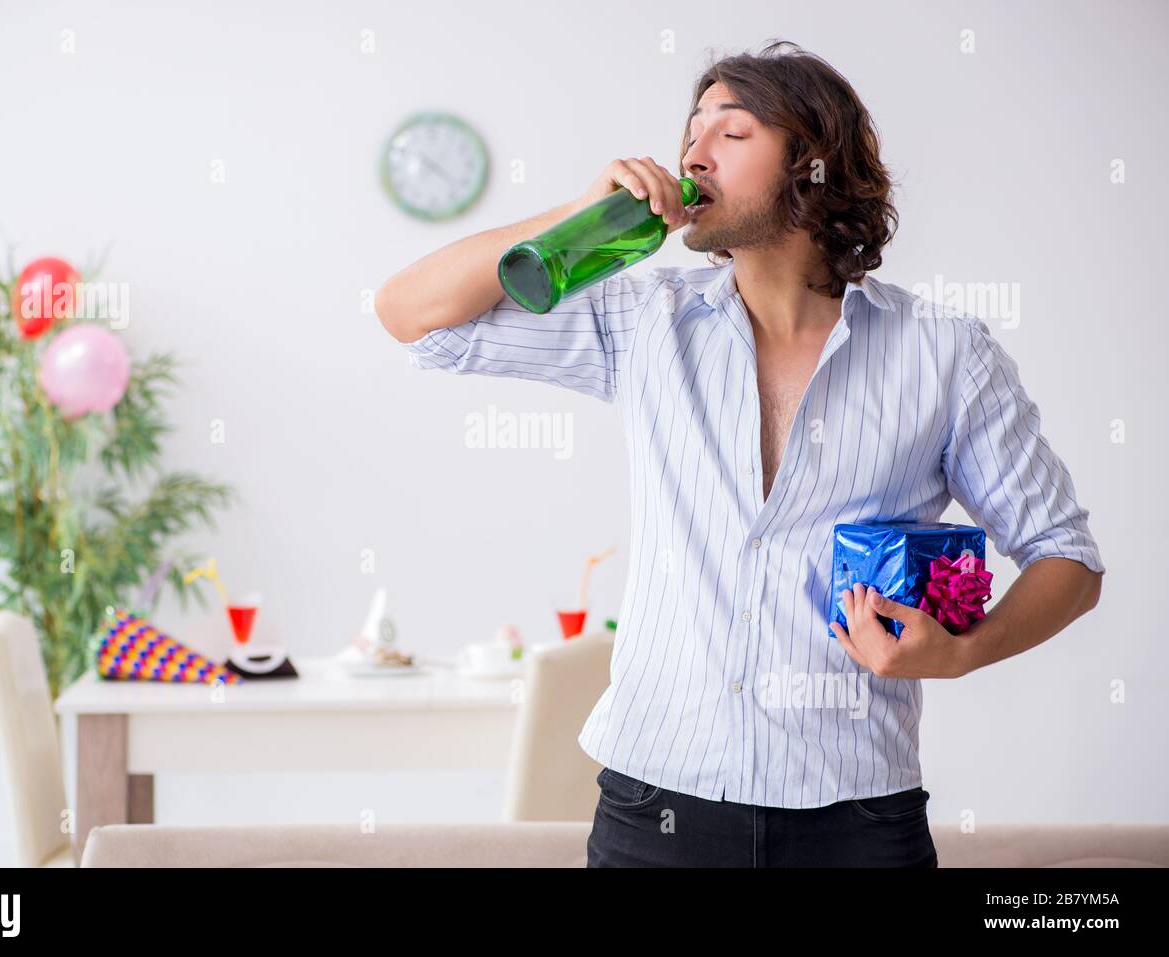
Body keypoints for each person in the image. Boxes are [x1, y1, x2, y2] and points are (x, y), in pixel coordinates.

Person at [374, 40, 1105, 867]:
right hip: (654, 811)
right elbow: (410, 313)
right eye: (692, 130)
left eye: (733, 131)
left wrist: (965, 651)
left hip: (859, 821)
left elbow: (1066, 559)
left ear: (813, 163)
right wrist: (574, 214)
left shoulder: (944, 354)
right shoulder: (644, 320)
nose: (693, 151)